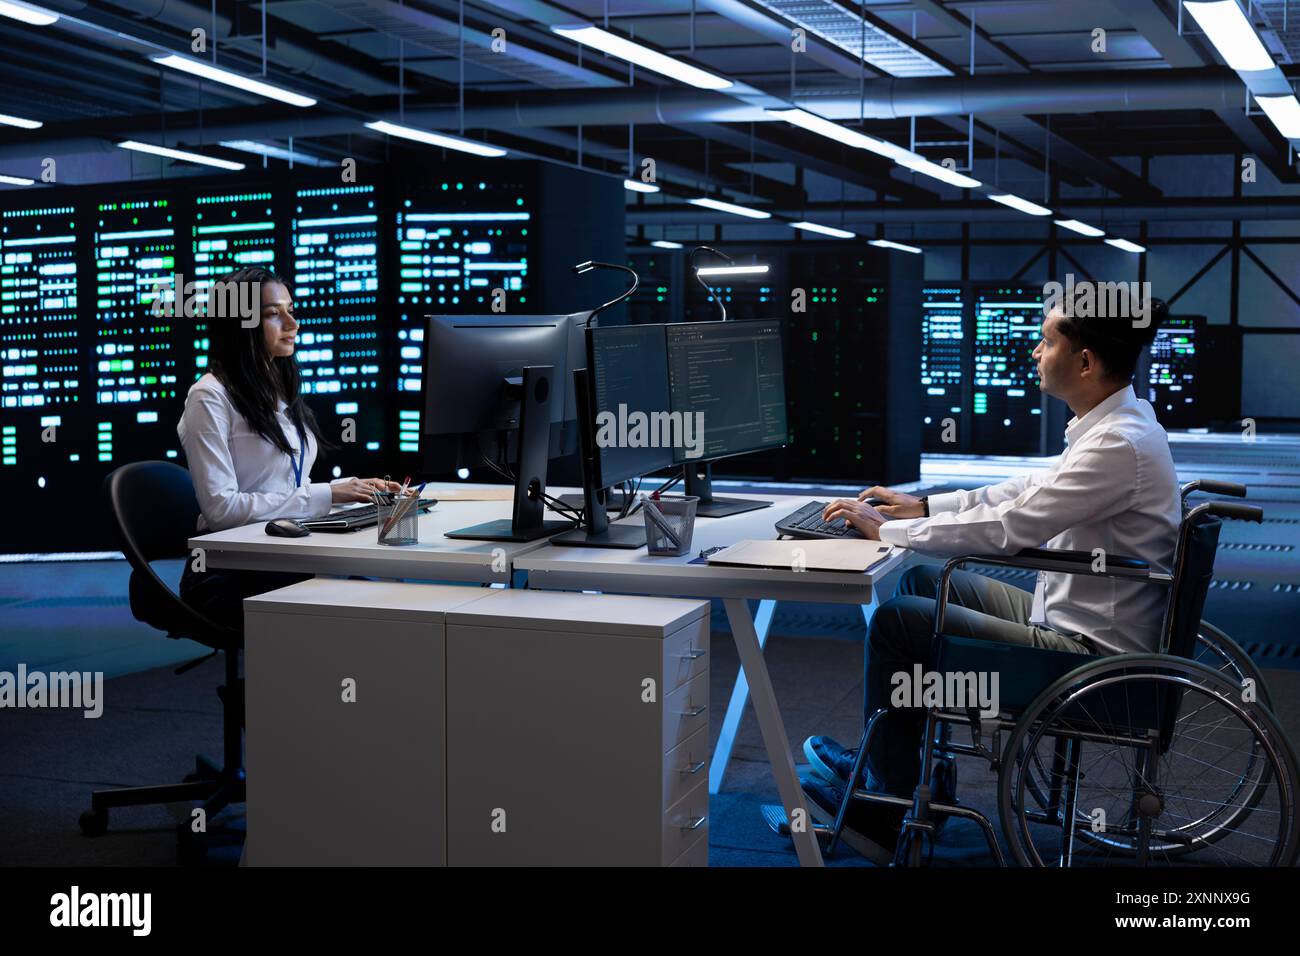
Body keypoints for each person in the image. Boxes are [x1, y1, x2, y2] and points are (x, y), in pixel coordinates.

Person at [800, 294, 1179, 862]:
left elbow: (1010, 528)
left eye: (1048, 341)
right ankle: (903, 766)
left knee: (898, 621)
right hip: (1072, 614)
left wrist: (886, 533)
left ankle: (886, 804)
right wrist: (923, 509)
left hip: (1088, 656)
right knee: (924, 584)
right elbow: (1021, 492)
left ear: (1085, 362)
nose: (1034, 351)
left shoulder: (1117, 444)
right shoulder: (1115, 425)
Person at [177, 266, 399, 628]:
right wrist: (329, 494)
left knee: (380, 601)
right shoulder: (208, 396)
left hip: (282, 554)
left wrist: (352, 492)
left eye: (290, 310)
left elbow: (283, 487)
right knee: (362, 610)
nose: (292, 323)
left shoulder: (277, 388)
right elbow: (221, 510)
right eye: (273, 314)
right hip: (227, 570)